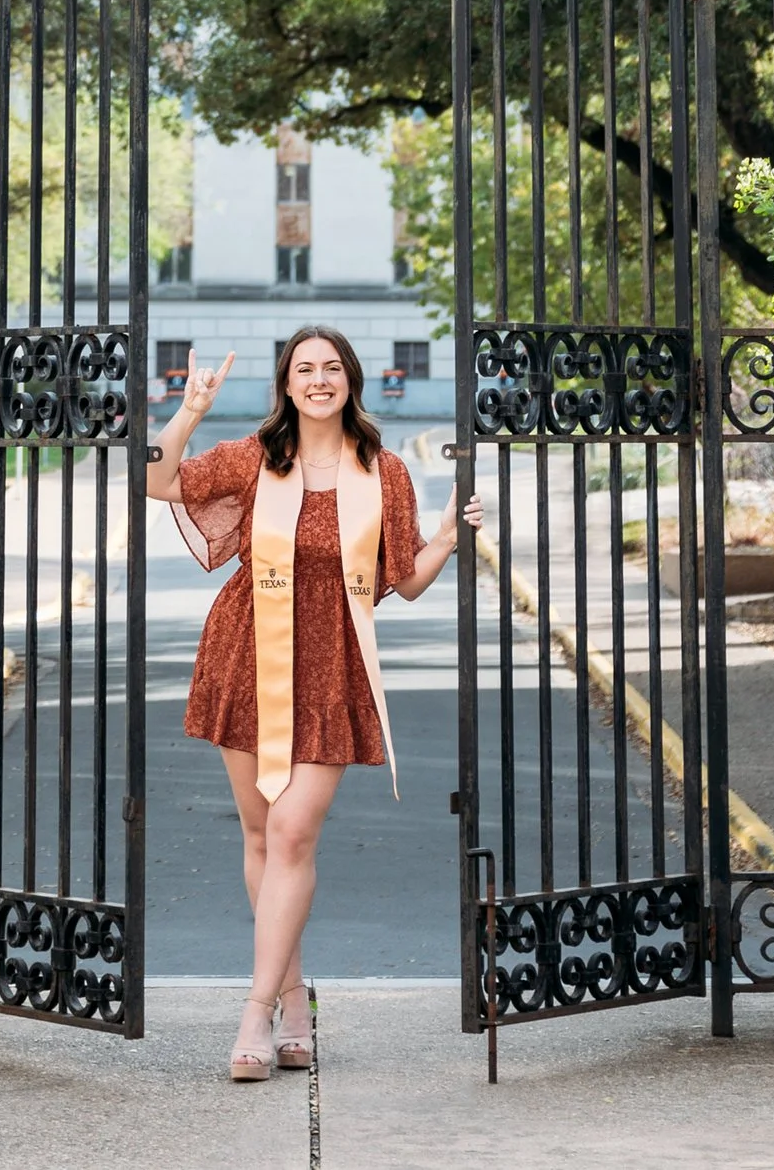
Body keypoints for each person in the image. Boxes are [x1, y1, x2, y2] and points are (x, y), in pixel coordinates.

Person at [148, 324, 482, 1083]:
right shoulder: (254, 458)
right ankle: (296, 1001)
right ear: (288, 383)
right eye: (306, 368)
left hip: (334, 664)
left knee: (295, 832)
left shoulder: (384, 469)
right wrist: (190, 410)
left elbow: (404, 578)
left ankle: (255, 1010)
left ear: (351, 379)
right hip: (247, 650)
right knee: (263, 832)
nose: (320, 379)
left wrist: (447, 536)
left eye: (332, 367)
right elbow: (158, 481)